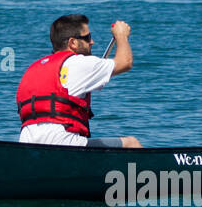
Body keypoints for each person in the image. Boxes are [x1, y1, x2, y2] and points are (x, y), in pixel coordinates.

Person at [16, 15, 141, 148]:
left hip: (26, 143)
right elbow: (125, 63)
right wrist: (121, 35)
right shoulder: (79, 63)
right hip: (63, 144)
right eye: (87, 38)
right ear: (72, 43)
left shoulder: (33, 69)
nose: (92, 42)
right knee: (131, 143)